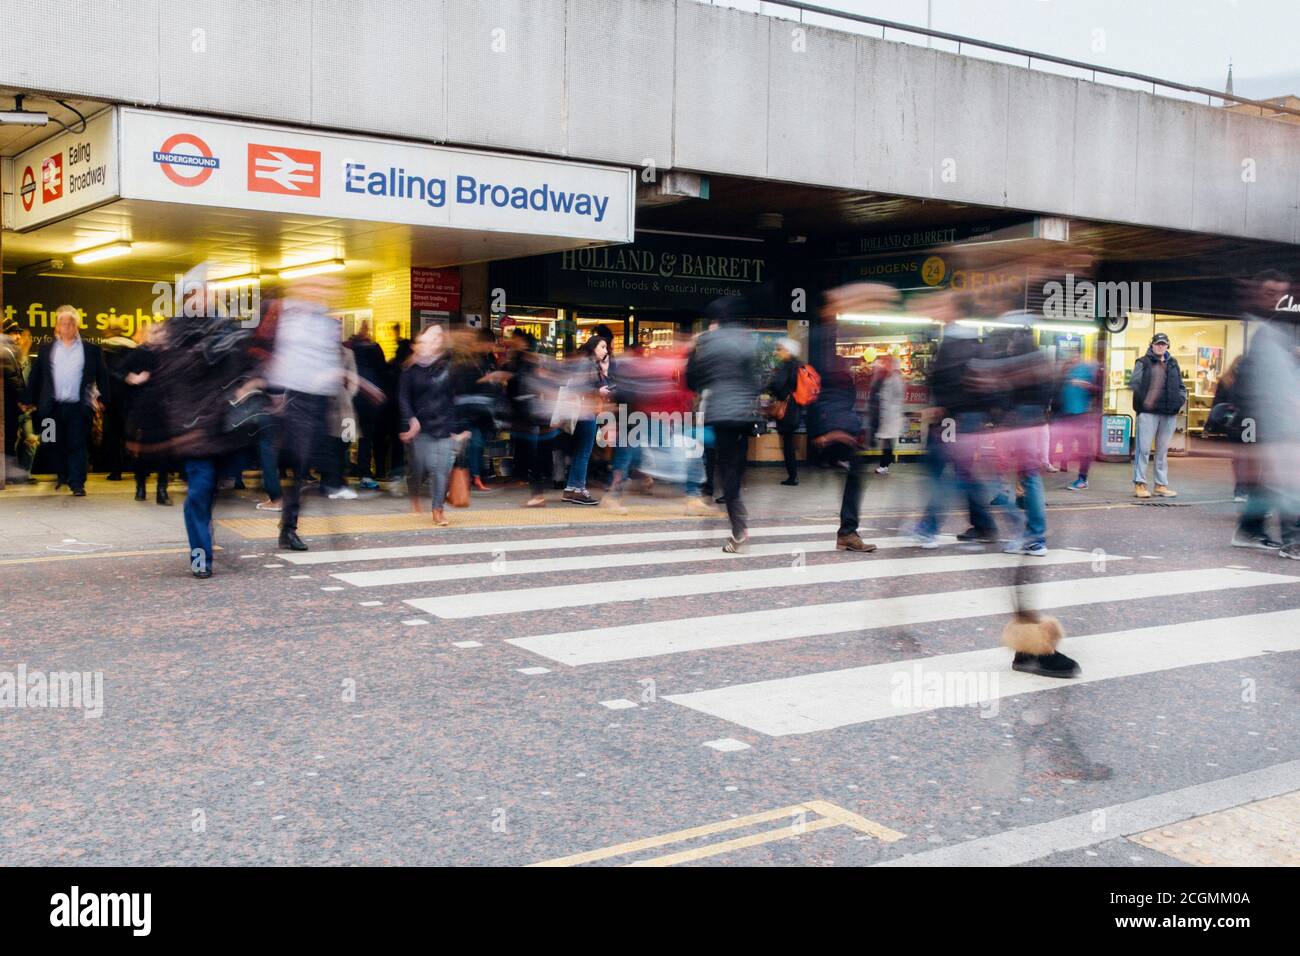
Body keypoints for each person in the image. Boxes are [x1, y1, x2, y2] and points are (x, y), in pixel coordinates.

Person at [148, 294, 258, 578]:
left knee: (210, 493)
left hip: (223, 432)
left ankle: (204, 533)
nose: (204, 299)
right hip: (195, 432)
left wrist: (250, 384)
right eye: (197, 295)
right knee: (199, 492)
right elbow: (167, 384)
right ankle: (201, 556)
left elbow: (245, 368)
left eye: (208, 294)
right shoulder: (176, 339)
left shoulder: (227, 332)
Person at [263, 281, 345, 551]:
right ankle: (288, 527)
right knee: (297, 466)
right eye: (313, 289)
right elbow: (277, 357)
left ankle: (289, 525)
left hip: (319, 402)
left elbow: (329, 360)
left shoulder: (326, 324)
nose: (319, 293)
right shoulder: (289, 317)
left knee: (306, 468)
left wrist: (332, 377)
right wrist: (276, 395)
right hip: (294, 400)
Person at [1232, 271, 1298, 556]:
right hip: (1274, 422)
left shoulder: (1277, 331)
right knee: (1287, 481)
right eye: (1271, 293)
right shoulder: (1267, 334)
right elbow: (1254, 384)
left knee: (1271, 482)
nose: (1276, 299)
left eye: (1280, 293)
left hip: (1276, 421)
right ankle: (1293, 540)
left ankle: (1250, 527)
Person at [685, 302, 760, 553]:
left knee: (725, 470)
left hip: (722, 414)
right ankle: (739, 507)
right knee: (736, 467)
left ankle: (739, 528)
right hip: (745, 415)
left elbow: (692, 379)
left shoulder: (710, 342)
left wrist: (693, 351)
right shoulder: (746, 340)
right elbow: (755, 379)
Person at [25, 305, 110, 496]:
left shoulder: (91, 349)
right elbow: (36, 376)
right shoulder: (46, 349)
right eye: (63, 323)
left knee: (77, 443)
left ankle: (77, 482)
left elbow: (102, 375)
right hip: (51, 407)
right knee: (51, 442)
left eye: (71, 322)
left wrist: (105, 397)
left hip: (78, 407)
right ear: (57, 327)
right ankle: (62, 473)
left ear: (77, 325)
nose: (67, 326)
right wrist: (28, 398)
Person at [399, 324, 463, 526]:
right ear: (421, 339)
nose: (435, 339)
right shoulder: (411, 367)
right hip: (420, 426)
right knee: (418, 469)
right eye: (431, 336)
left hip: (444, 424)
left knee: (441, 469)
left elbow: (456, 396)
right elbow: (403, 396)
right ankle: (415, 495)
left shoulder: (449, 364)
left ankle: (438, 510)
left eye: (438, 336)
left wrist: (459, 428)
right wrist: (411, 418)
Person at [121, 323, 172, 505]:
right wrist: (132, 378)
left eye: (161, 331)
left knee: (165, 451)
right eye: (154, 331)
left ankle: (162, 490)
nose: (158, 335)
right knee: (141, 451)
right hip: (142, 409)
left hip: (165, 409)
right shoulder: (139, 353)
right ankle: (140, 486)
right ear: (147, 334)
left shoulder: (169, 354)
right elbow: (119, 371)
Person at [1130, 331, 1185, 498]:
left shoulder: (1174, 363)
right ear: (1151, 345)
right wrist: (1144, 402)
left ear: (1168, 345)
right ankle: (1140, 484)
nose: (1160, 346)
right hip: (1148, 413)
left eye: (1163, 344)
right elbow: (1135, 383)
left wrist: (1180, 400)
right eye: (1157, 343)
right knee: (1143, 450)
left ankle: (1160, 485)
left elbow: (1181, 386)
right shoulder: (1143, 362)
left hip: (1169, 413)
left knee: (1162, 452)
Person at [561, 335, 610, 505]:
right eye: (603, 347)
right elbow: (577, 388)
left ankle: (570, 489)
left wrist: (604, 370)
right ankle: (580, 489)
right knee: (584, 452)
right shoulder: (587, 364)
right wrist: (599, 392)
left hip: (587, 412)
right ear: (593, 347)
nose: (606, 350)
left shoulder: (592, 364)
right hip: (585, 412)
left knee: (580, 452)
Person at [346, 320, 387, 489]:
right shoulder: (374, 348)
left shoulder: (349, 346)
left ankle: (340, 470)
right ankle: (364, 473)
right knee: (365, 437)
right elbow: (382, 368)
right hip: (369, 398)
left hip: (351, 396)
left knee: (345, 434)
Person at [99, 319, 138, 481]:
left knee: (113, 436)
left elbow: (101, 375)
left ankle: (116, 471)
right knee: (133, 434)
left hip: (111, 398)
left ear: (108, 330)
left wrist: (100, 397)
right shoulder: (134, 347)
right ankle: (140, 468)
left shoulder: (103, 348)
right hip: (131, 398)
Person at [1057, 356, 1101, 491]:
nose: (1073, 360)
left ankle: (1082, 479)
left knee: (1084, 449)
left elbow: (1098, 391)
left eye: (1076, 359)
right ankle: (1066, 467)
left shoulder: (1087, 371)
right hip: (1068, 415)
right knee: (1068, 445)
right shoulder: (1066, 373)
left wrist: (1086, 385)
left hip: (1082, 415)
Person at [765, 337, 802, 486]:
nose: (777, 352)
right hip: (794, 408)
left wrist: (770, 387)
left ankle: (792, 476)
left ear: (788, 351)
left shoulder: (787, 366)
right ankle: (792, 475)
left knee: (787, 445)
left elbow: (778, 385)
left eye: (780, 349)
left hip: (786, 410)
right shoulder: (799, 365)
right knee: (789, 443)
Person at [1, 319, 28, 485]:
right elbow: (13, 379)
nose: (17, 337)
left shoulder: (11, 353)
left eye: (18, 333)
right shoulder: (6, 352)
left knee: (12, 439)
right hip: (9, 406)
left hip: (10, 406)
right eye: (14, 333)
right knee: (9, 439)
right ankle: (9, 474)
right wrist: (22, 400)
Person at [869, 352, 903, 476]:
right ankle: (885, 463)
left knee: (887, 440)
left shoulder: (895, 378)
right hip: (883, 414)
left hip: (890, 416)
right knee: (885, 439)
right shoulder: (884, 376)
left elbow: (898, 396)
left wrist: (892, 412)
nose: (885, 364)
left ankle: (884, 464)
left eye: (887, 362)